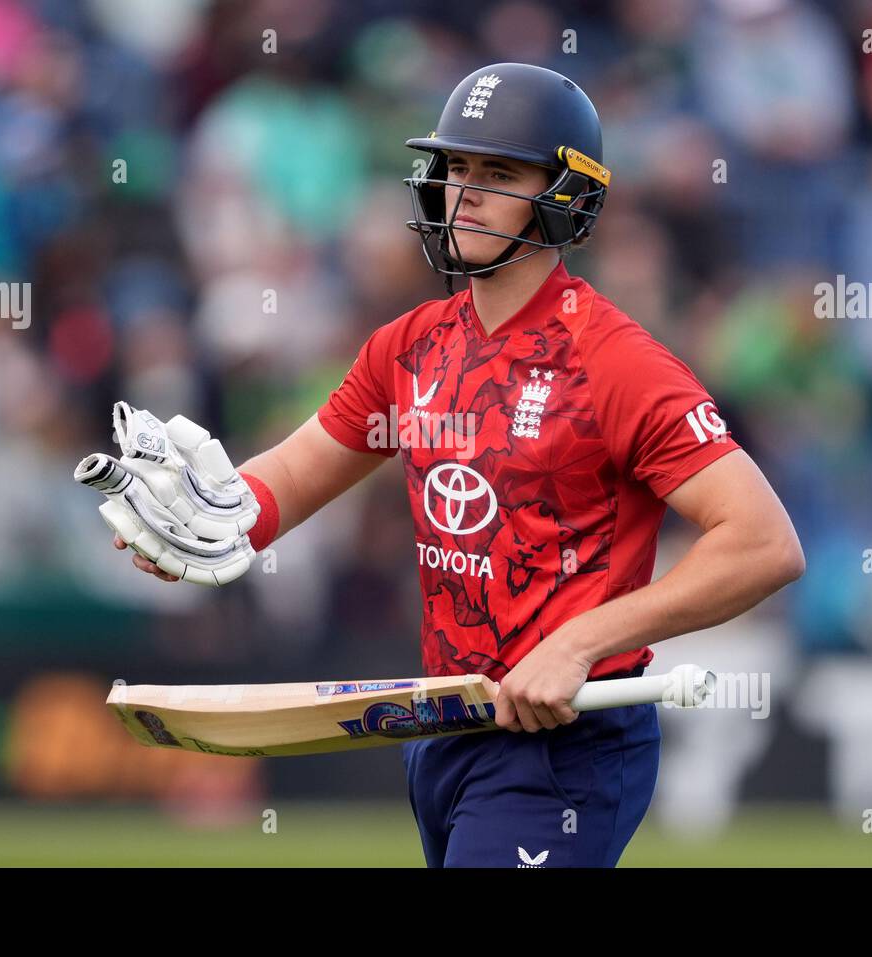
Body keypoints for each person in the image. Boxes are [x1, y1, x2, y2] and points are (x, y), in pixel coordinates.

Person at [111, 63, 804, 867]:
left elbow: (762, 542)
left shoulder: (616, 363)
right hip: (445, 730)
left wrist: (580, 640)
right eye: (456, 169)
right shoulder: (407, 347)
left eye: (499, 172)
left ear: (566, 195)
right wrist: (205, 523)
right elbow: (290, 481)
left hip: (564, 744)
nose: (465, 190)